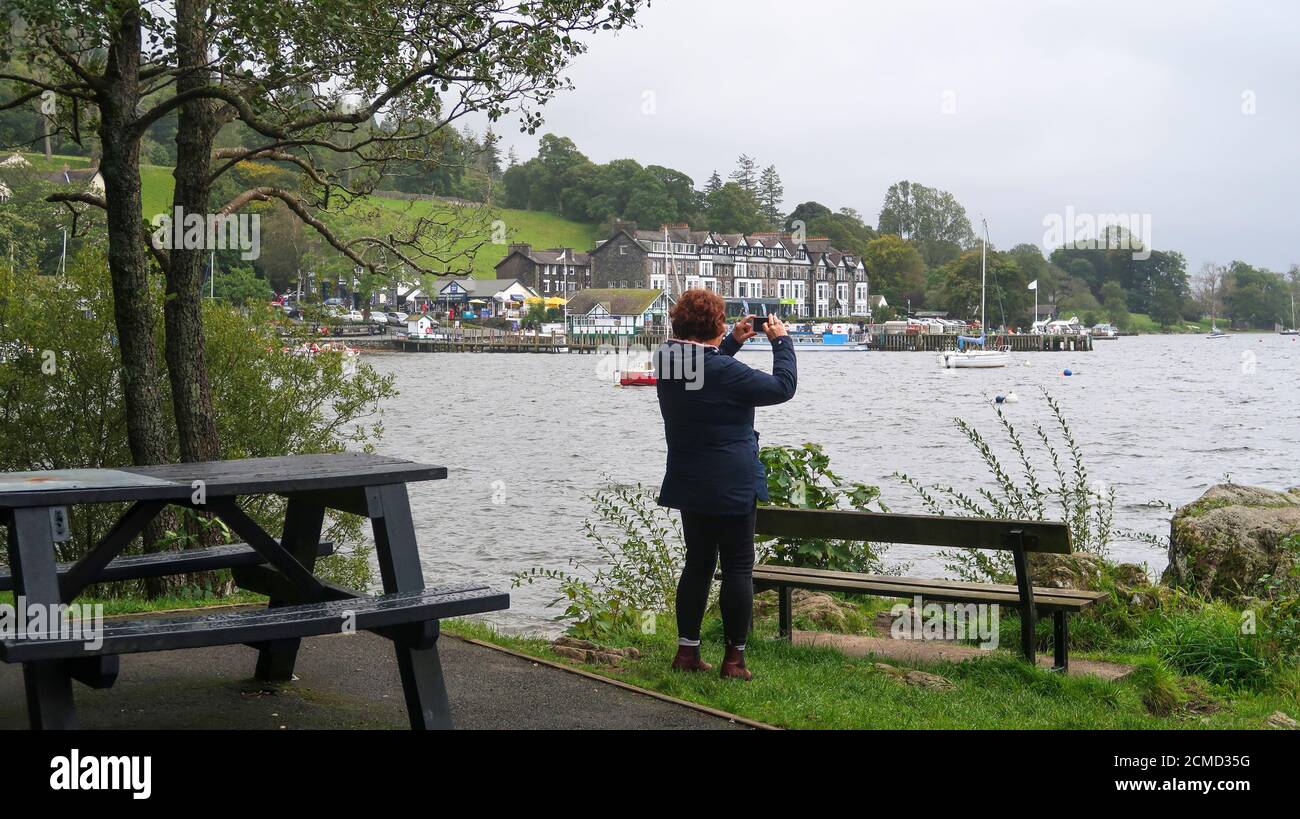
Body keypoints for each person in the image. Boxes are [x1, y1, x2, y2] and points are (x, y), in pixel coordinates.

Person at [653, 289, 796, 680]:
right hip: (732, 482)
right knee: (736, 567)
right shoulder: (721, 371)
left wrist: (731, 342)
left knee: (697, 564)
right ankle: (734, 660)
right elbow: (782, 387)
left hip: (689, 479)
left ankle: (687, 652)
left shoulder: (668, 360)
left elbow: (706, 373)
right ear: (713, 326)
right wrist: (780, 342)